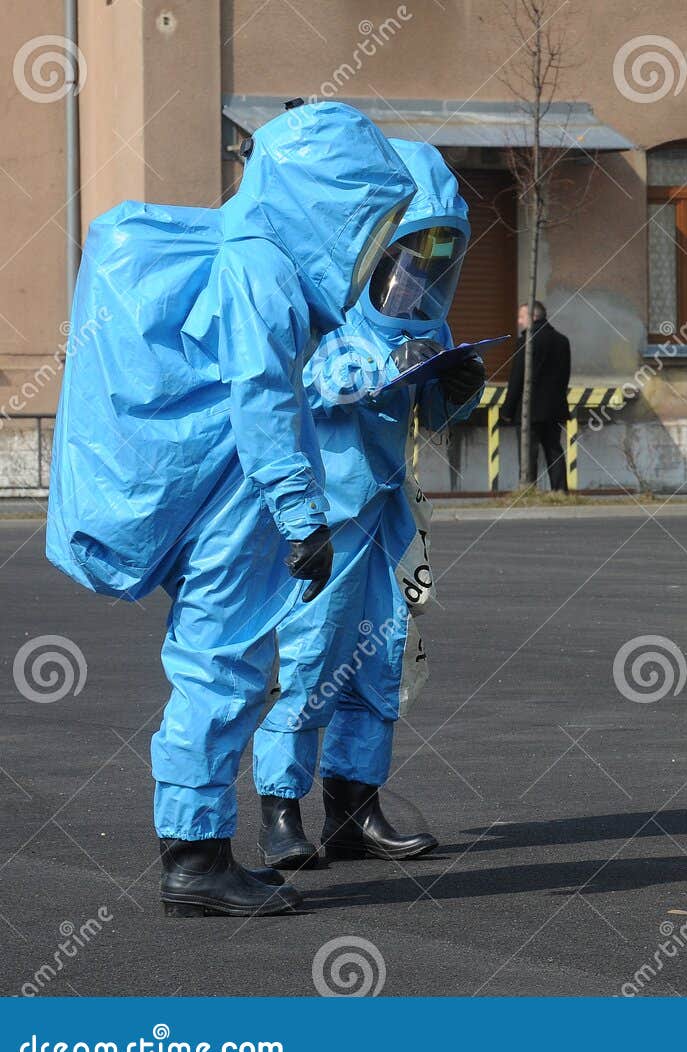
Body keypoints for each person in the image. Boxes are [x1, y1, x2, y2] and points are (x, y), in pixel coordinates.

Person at [47, 101, 415, 916]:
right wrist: (300, 512)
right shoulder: (264, 269)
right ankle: (195, 859)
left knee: (225, 666)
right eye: (362, 214)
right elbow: (261, 397)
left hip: (228, 496)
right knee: (222, 667)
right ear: (326, 199)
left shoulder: (254, 256)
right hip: (238, 506)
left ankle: (200, 848)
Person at [250, 139, 485, 870]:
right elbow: (316, 382)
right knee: (313, 654)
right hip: (329, 510)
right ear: (376, 244)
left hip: (383, 510)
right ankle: (280, 811)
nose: (420, 279)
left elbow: (432, 407)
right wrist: (389, 365)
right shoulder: (330, 303)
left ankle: (354, 807)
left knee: (379, 657)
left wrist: (455, 383)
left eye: (435, 261)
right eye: (411, 257)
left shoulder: (420, 320)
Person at [504, 300, 572, 491]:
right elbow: (564, 377)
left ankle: (529, 490)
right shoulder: (562, 341)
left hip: (529, 410)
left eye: (521, 317)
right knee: (554, 451)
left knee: (528, 453)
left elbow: (516, 378)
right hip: (554, 408)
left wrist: (508, 409)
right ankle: (560, 491)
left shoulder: (526, 341)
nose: (519, 321)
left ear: (533, 317)